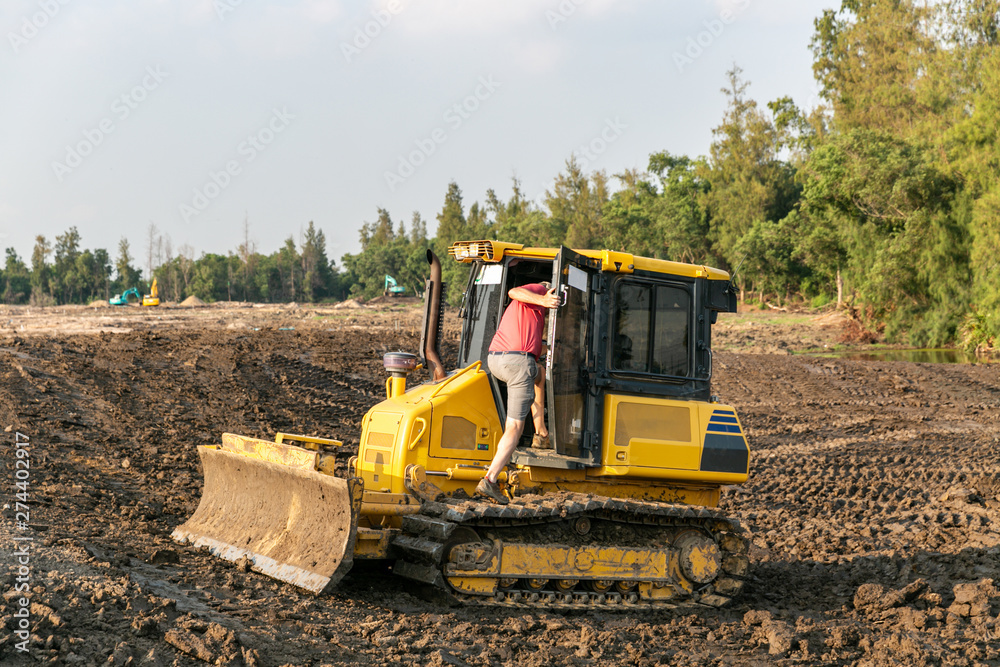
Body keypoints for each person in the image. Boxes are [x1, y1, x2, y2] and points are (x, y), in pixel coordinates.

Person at [476, 282, 560, 504]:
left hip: (497, 358)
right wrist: (544, 298)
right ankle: (490, 479)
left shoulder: (531, 314)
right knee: (514, 427)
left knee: (537, 372)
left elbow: (535, 348)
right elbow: (513, 291)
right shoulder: (539, 291)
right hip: (517, 361)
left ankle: (541, 433)